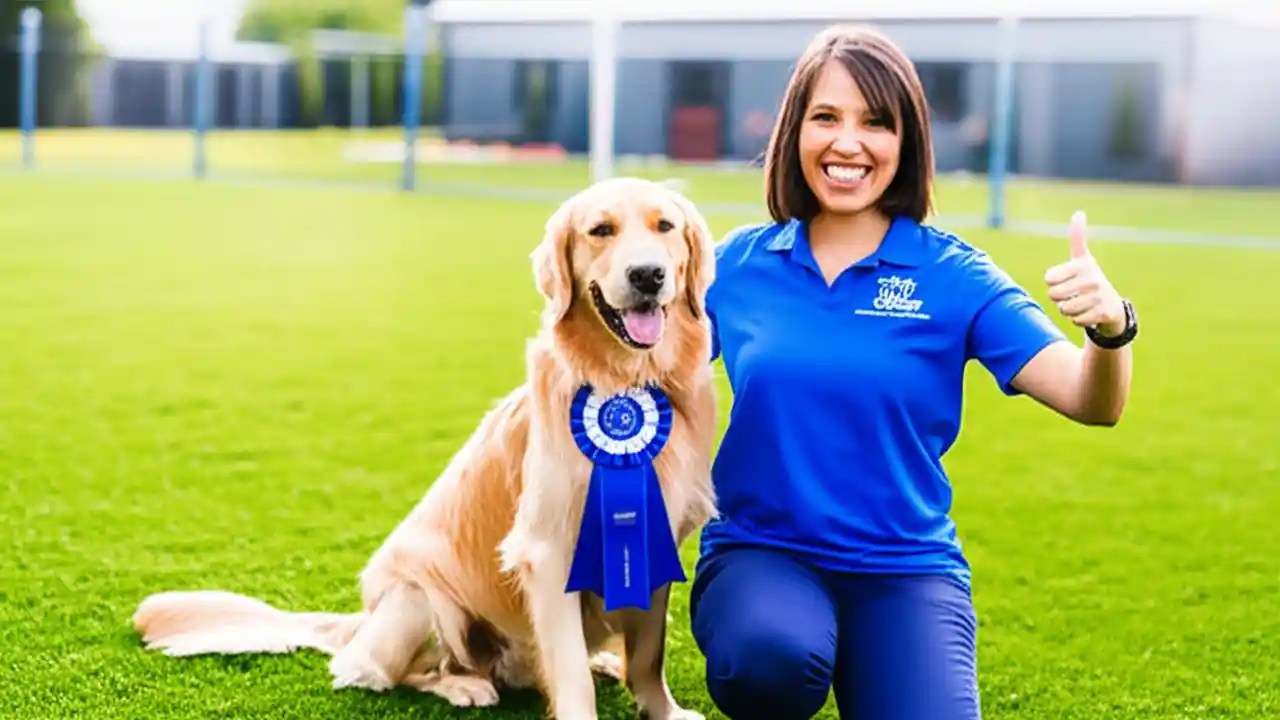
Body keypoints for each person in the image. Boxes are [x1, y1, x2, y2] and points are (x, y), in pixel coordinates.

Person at [688, 24, 1137, 720]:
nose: (847, 143)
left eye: (875, 123)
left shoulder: (953, 274)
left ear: (907, 142)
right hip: (761, 552)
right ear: (794, 132)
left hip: (904, 570)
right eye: (826, 118)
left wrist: (1111, 329)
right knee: (770, 660)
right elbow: (641, 367)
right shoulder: (737, 265)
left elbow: (1090, 400)